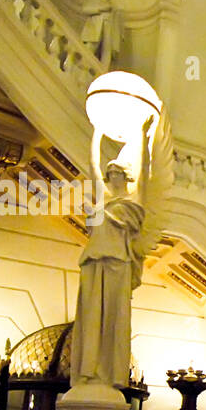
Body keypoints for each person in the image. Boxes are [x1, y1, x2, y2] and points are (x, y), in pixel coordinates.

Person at [71, 117, 153, 387]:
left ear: (127, 175)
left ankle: (112, 374)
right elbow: (92, 163)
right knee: (90, 316)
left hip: (119, 261)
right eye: (112, 171)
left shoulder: (134, 200)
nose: (114, 174)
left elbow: (147, 170)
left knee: (115, 319)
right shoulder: (102, 196)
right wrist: (97, 130)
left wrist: (142, 136)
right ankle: (88, 371)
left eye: (119, 171)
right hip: (94, 260)